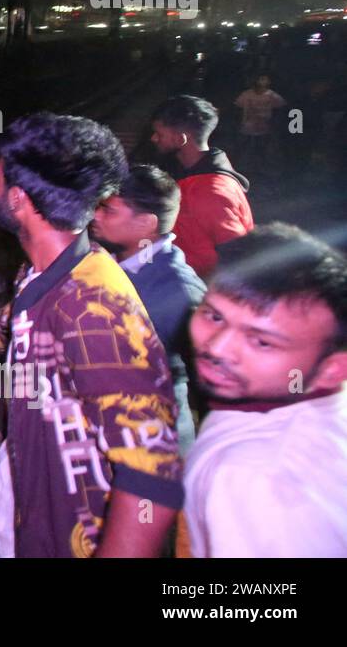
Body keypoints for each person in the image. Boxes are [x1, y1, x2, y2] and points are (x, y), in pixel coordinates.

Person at [0, 114, 182, 558]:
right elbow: (5, 334)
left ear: (18, 199)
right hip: (23, 478)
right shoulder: (42, 270)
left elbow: (153, 472)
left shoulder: (96, 307)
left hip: (66, 527)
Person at [182, 223, 347, 557]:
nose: (218, 348)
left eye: (260, 341)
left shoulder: (255, 478)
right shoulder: (288, 407)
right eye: (214, 316)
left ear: (332, 369)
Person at [92, 164, 207, 452]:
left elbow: (212, 388)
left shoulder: (179, 292)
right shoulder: (108, 262)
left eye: (108, 210)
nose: (95, 215)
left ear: (145, 224)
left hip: (152, 445)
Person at [150, 95, 253, 278]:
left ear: (181, 139)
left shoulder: (210, 192)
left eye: (160, 134)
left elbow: (238, 257)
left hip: (200, 289)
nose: (153, 139)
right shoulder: (188, 176)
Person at [233, 74, 287, 175]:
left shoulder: (272, 95)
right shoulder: (247, 94)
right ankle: (240, 169)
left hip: (263, 127)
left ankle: (258, 169)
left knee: (260, 149)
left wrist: (273, 122)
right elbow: (238, 107)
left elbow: (281, 106)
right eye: (260, 78)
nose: (262, 81)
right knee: (243, 147)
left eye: (265, 79)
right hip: (247, 126)